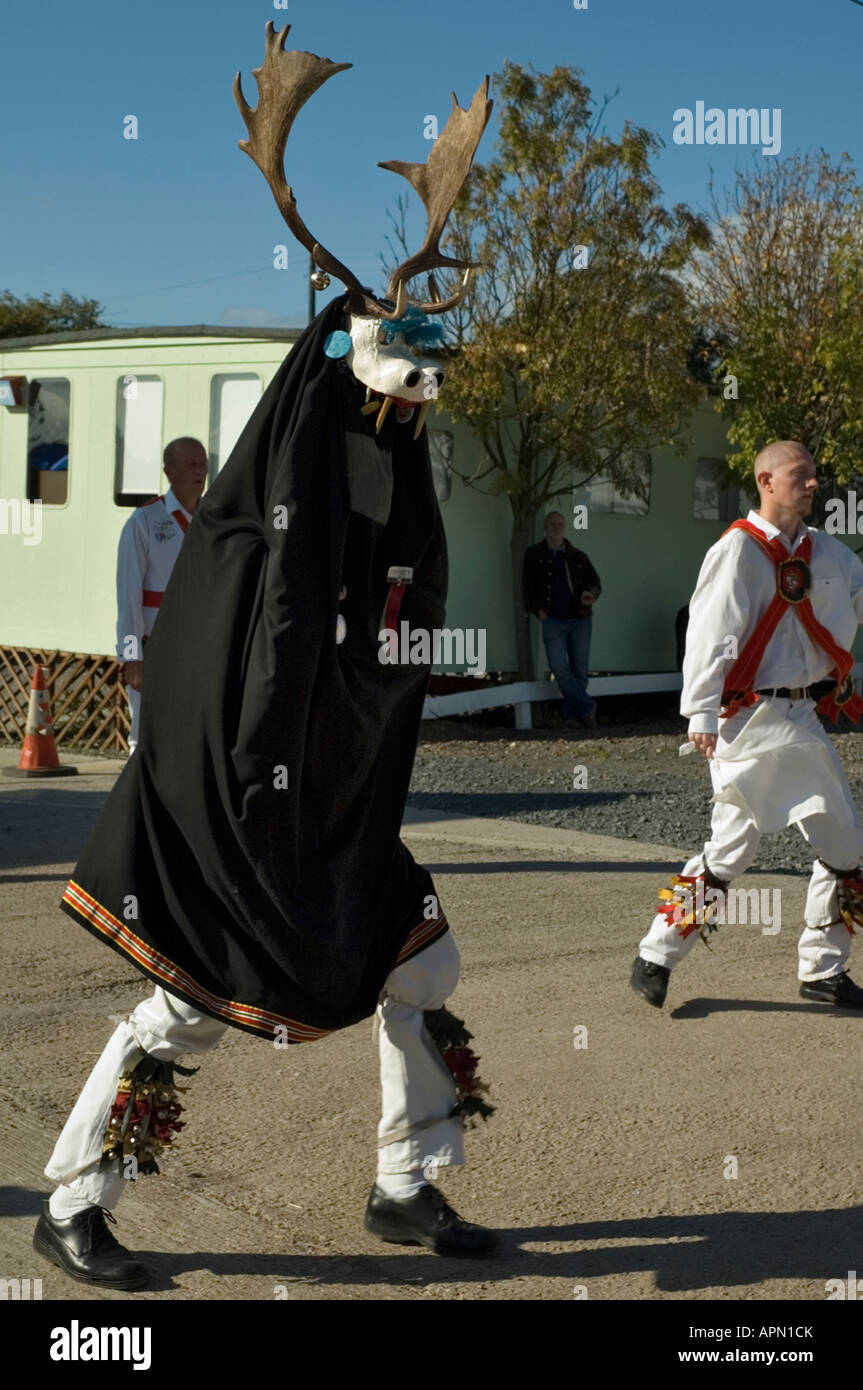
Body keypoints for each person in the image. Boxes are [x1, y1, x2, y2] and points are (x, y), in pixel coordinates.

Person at [631, 440, 863, 1011]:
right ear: (765, 481)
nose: (812, 484)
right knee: (730, 850)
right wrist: (702, 711)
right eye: (799, 475)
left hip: (803, 718)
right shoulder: (736, 550)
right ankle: (656, 956)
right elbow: (708, 635)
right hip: (745, 721)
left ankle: (823, 969)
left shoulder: (831, 555)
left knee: (846, 847)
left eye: (813, 475)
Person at [116, 438, 207, 753]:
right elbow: (127, 597)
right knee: (146, 735)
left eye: (203, 463)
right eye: (191, 464)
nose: (200, 471)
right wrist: (131, 657)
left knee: (192, 734)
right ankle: (138, 800)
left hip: (200, 648)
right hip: (153, 647)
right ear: (169, 472)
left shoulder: (214, 519)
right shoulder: (145, 521)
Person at [522, 512, 601, 728]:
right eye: (552, 524)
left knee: (580, 670)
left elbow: (594, 583)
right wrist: (537, 610)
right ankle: (587, 707)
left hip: (580, 619)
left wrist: (590, 595)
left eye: (560, 524)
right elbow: (526, 587)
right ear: (545, 528)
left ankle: (572, 718)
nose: (557, 528)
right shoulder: (533, 555)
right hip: (552, 619)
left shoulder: (578, 556)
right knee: (558, 667)